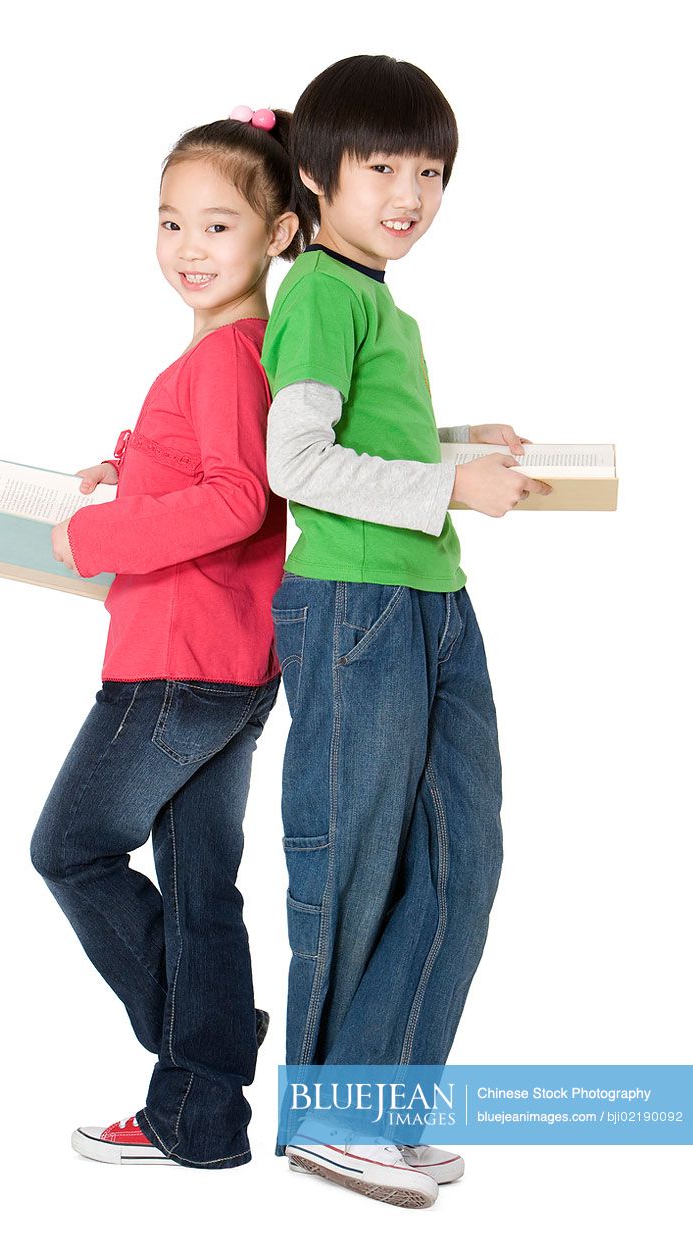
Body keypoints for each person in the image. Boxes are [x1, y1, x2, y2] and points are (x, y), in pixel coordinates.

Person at [260, 55, 552, 1207]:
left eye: (429, 169)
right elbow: (297, 464)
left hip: (427, 600)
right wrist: (446, 487)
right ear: (317, 175)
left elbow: (361, 439)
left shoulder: (374, 299)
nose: (409, 192)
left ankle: (378, 1107)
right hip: (355, 606)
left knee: (461, 854)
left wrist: (450, 441)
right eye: (381, 164)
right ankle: (333, 1114)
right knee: (356, 860)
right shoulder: (321, 294)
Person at [30, 105, 309, 1170]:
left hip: (175, 665)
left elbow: (238, 499)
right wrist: (125, 464)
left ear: (279, 234)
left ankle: (212, 1037)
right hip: (223, 665)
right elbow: (206, 470)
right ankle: (198, 1116)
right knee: (198, 889)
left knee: (70, 847)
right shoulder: (227, 352)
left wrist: (97, 530)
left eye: (217, 228)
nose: (188, 249)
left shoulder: (231, 356)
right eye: (169, 224)